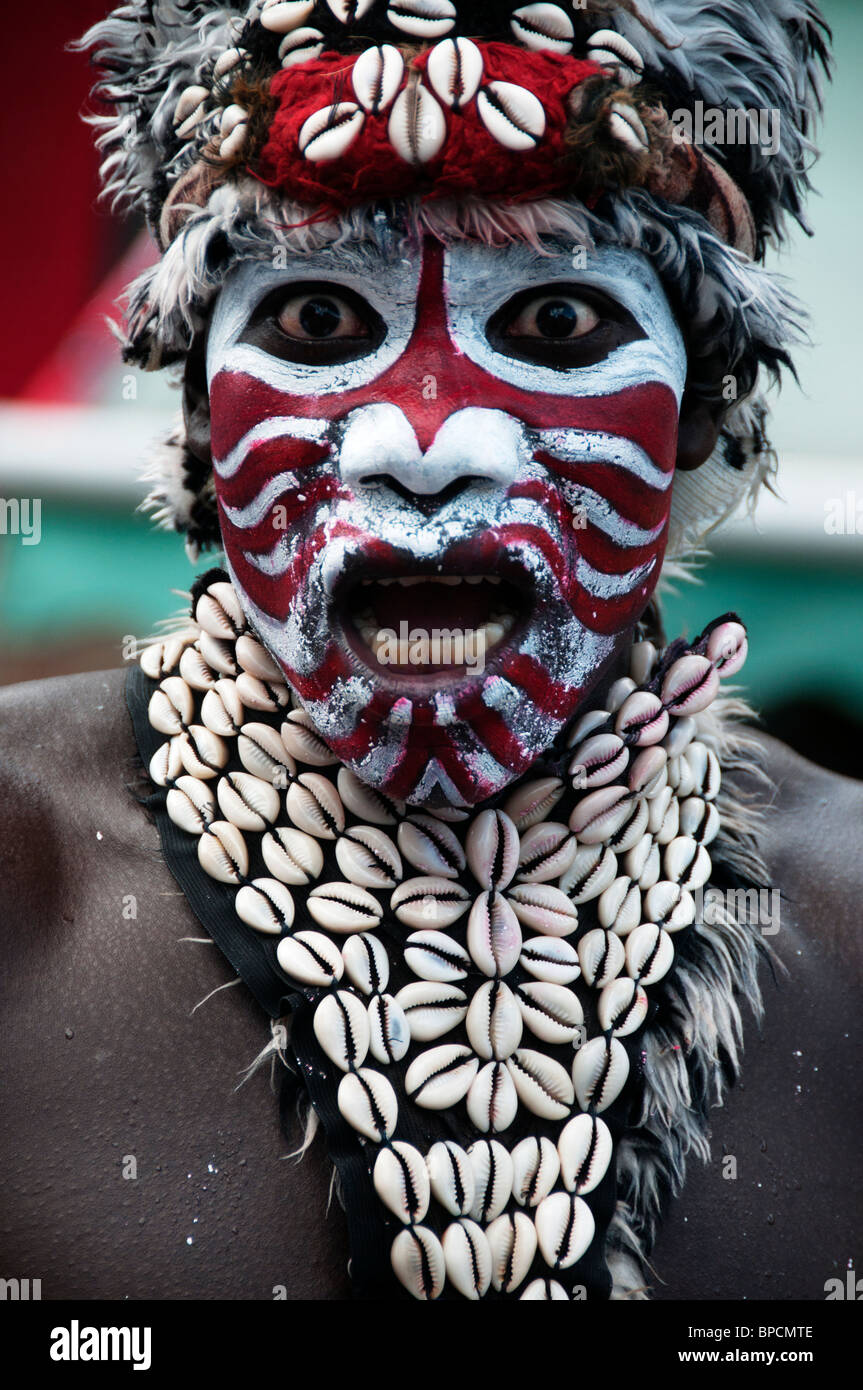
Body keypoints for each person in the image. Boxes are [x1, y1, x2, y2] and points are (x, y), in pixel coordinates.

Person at [1, 0, 859, 1301]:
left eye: (559, 326)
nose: (426, 443)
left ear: (697, 412)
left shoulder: (848, 924)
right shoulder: (22, 876)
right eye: (319, 324)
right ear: (197, 412)